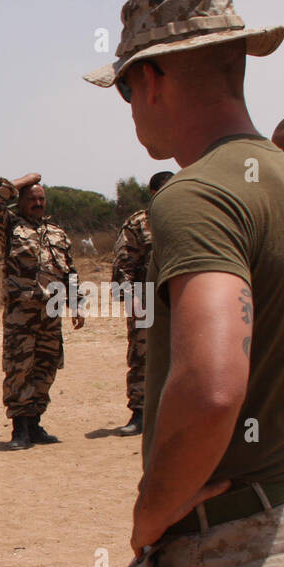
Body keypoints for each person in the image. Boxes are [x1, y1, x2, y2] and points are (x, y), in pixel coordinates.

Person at [85, 0, 284, 567]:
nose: (130, 110)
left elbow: (212, 385)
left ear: (157, 77)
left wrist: (153, 510)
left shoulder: (200, 196)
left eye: (127, 90)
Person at [0, 174, 83, 449]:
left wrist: (77, 304)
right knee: (19, 368)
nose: (38, 204)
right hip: (22, 313)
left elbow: (70, 271)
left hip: (51, 313)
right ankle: (19, 429)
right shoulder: (10, 227)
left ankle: (35, 423)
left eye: (41, 199)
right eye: (32, 199)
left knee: (46, 367)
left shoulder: (57, 233)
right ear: (21, 202)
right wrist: (28, 179)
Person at [112, 170, 174, 436]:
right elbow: (123, 263)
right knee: (142, 356)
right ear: (153, 193)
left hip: (183, 300)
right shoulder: (139, 222)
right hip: (146, 301)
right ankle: (139, 413)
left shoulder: (190, 218)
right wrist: (131, 298)